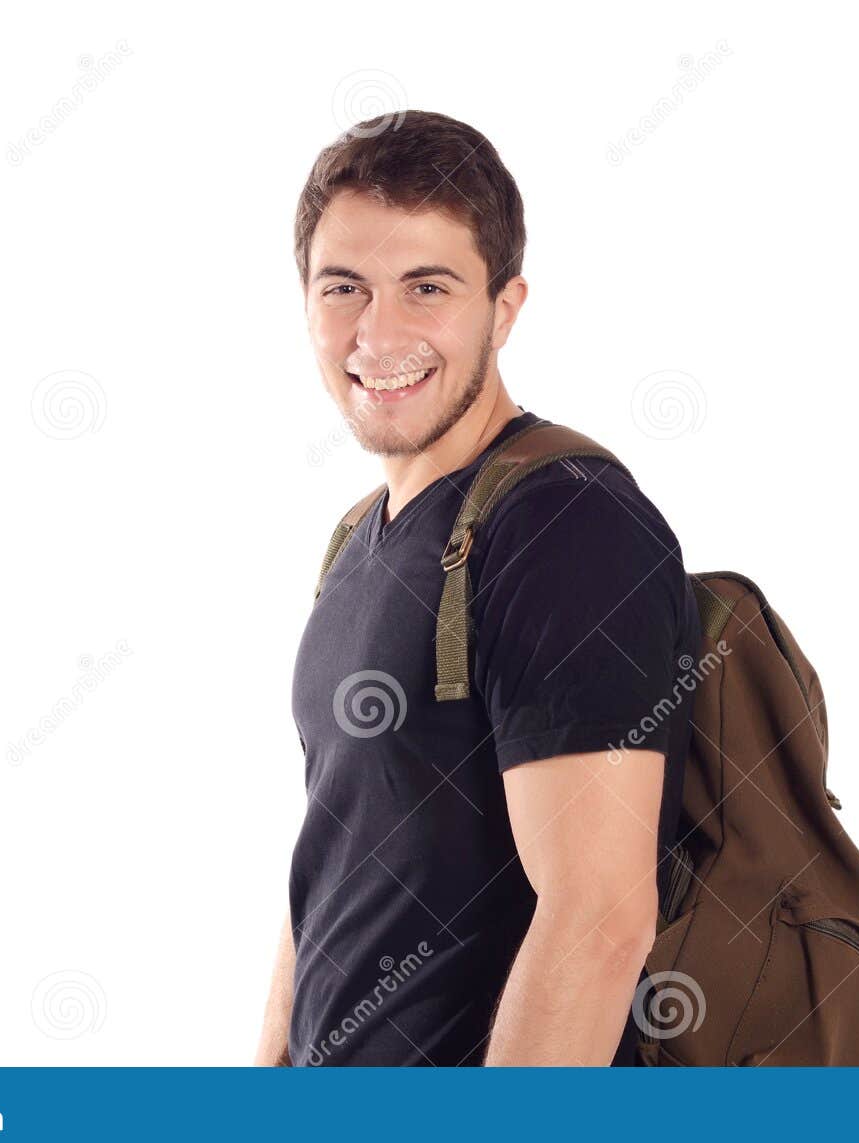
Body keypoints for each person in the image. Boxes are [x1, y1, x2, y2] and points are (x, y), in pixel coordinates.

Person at [256, 110, 701, 1066]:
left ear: (504, 307)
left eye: (428, 287)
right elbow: (324, 888)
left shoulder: (565, 525)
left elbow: (601, 915)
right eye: (345, 287)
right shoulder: (356, 544)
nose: (379, 331)